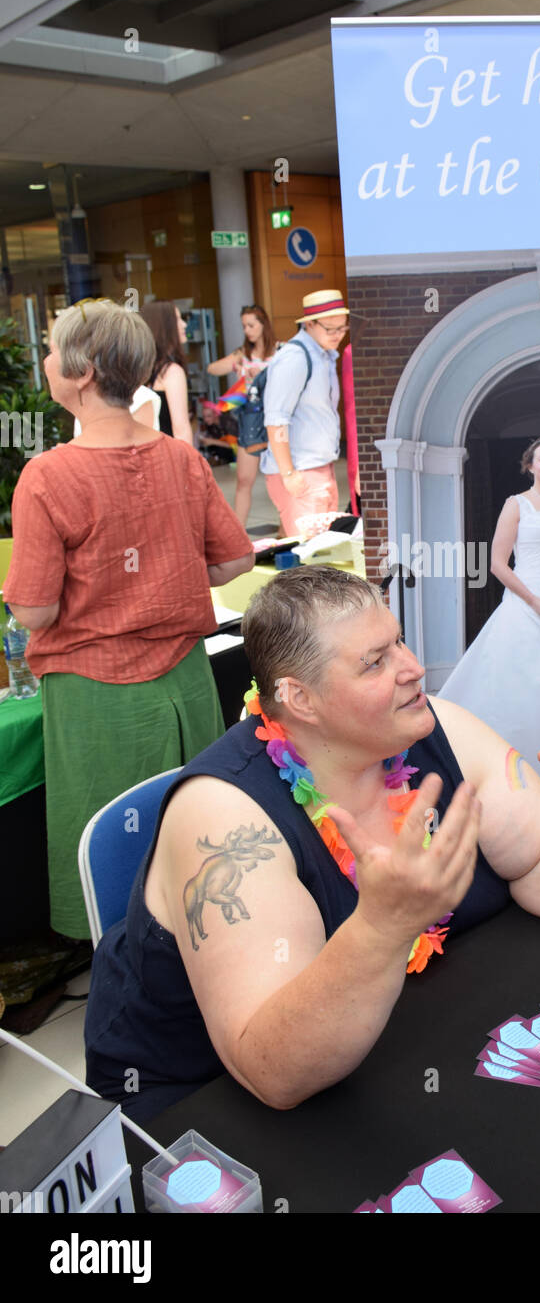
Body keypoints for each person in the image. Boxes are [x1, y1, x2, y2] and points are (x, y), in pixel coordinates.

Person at [85, 565, 540, 1120]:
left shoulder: (433, 727)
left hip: (390, 1053)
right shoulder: (224, 820)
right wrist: (382, 926)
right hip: (207, 1108)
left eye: (399, 641)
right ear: (300, 700)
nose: (414, 668)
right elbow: (273, 1072)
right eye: (375, 662)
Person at [3, 299, 254, 940]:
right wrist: (162, 577)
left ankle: (130, 985)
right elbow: (232, 562)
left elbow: (34, 609)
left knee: (114, 860)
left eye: (55, 350)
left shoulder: (46, 476)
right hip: (188, 682)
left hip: (96, 698)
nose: (48, 360)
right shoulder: (183, 458)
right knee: (196, 844)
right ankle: (210, 965)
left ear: (83, 373)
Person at [438, 436, 540, 800]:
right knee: (524, 685)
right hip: (527, 605)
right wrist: (534, 601)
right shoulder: (517, 505)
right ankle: (513, 766)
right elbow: (496, 564)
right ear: (530, 465)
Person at [260, 289, 346, 537]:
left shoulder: (325, 355)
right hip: (300, 471)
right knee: (309, 559)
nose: (338, 335)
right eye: (331, 329)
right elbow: (276, 421)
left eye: (342, 328)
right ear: (309, 324)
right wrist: (289, 473)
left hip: (320, 466)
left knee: (323, 551)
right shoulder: (295, 358)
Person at [207, 304, 280, 528]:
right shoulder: (243, 353)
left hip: (276, 417)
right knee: (243, 480)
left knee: (277, 479)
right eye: (244, 326)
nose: (248, 330)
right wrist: (234, 365)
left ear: (263, 324)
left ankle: (285, 531)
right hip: (250, 419)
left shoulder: (281, 351)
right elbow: (212, 368)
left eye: (251, 325)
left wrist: (267, 375)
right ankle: (238, 532)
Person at [140, 300, 194, 443]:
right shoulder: (171, 372)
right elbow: (181, 430)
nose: (184, 325)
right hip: (168, 455)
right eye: (177, 319)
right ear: (164, 326)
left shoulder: (140, 371)